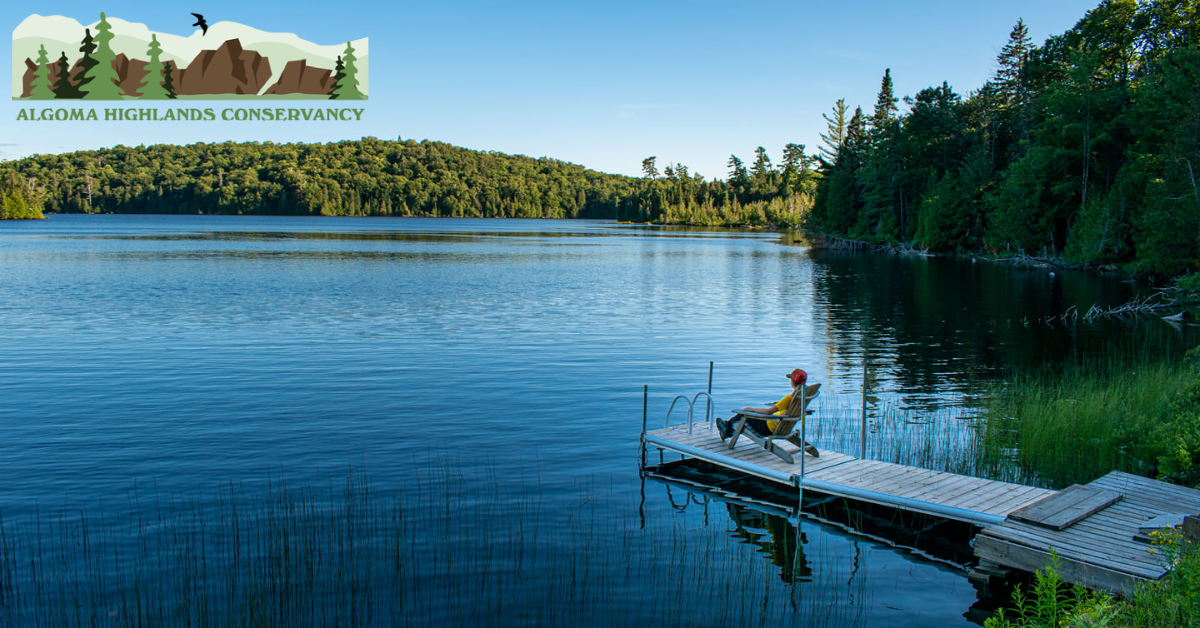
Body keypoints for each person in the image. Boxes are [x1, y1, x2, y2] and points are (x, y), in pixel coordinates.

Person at [717, 368, 819, 457]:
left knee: (741, 415)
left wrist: (752, 409)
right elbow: (791, 409)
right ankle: (726, 426)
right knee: (746, 416)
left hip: (768, 427)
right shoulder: (800, 399)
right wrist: (780, 404)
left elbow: (768, 412)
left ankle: (726, 431)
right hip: (784, 426)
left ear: (792, 382)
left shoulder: (789, 398)